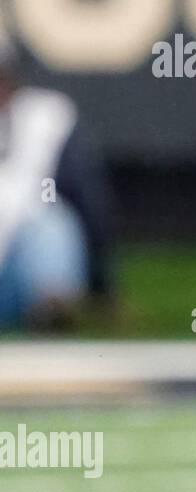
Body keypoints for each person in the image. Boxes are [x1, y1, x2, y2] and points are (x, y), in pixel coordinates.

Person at [0, 41, 114, 331]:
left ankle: (50, 307)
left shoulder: (47, 118)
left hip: (20, 276)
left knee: (52, 222)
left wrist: (100, 283)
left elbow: (86, 200)